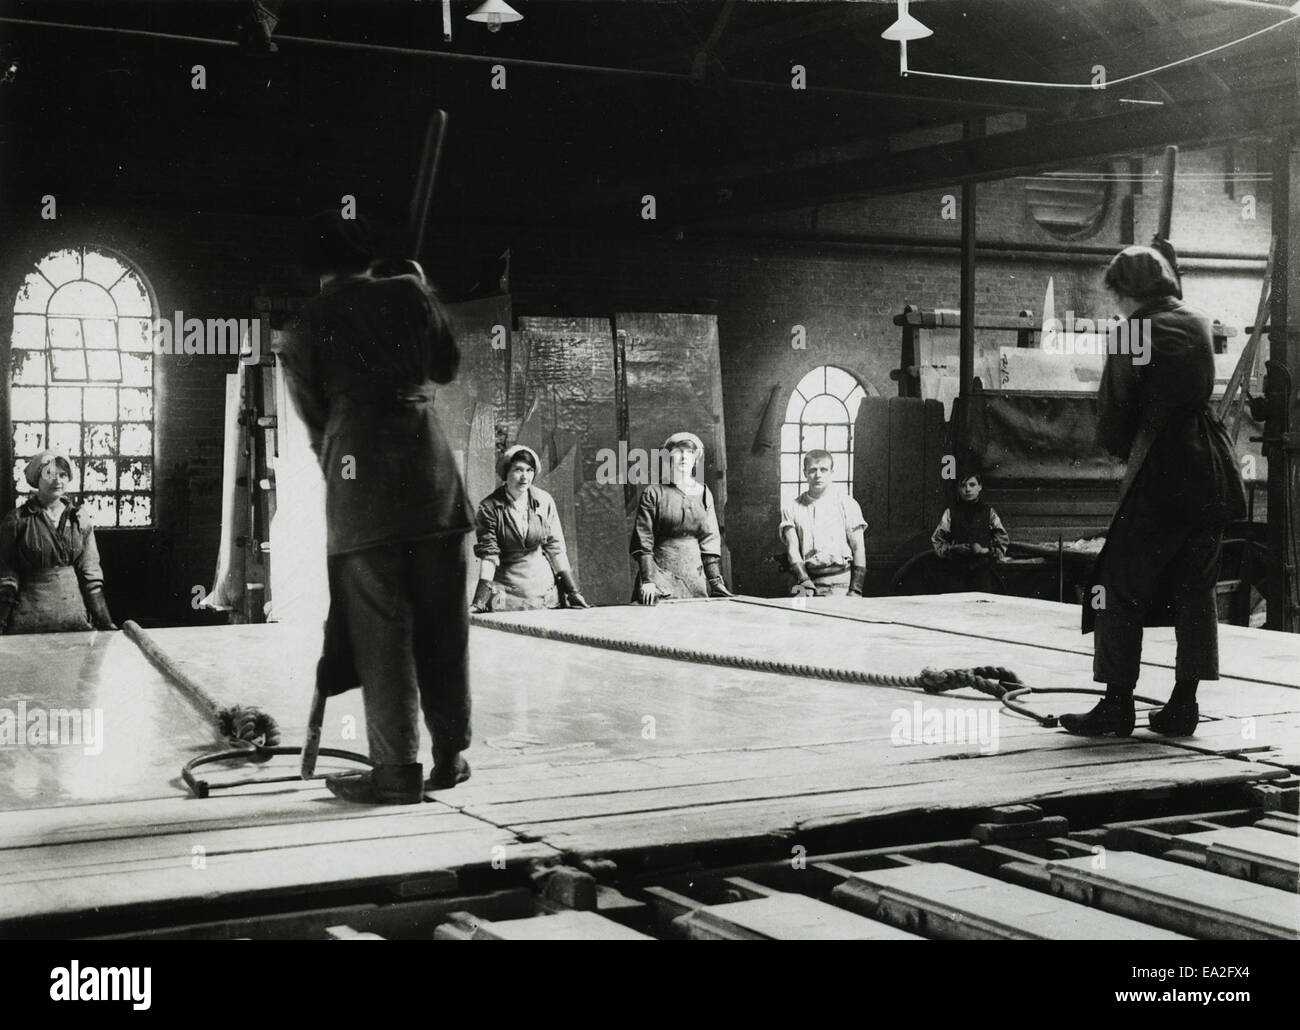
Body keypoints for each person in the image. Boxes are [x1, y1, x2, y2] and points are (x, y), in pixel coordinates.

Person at [277, 210, 474, 804]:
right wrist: (422, 289)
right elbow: (446, 366)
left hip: (360, 487)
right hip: (431, 475)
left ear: (311, 267)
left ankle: (396, 770)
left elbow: (316, 425)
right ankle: (451, 755)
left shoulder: (303, 329)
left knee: (382, 636)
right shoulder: (409, 294)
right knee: (445, 627)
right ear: (367, 256)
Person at [1063, 244, 1246, 738]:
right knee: (1196, 589)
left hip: (1161, 468)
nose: (1116, 306)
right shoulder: (1200, 322)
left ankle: (1117, 704)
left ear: (1127, 290)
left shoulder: (1132, 332)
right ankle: (1184, 705)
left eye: (1116, 295)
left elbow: (1116, 413)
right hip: (1212, 466)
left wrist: (1124, 449)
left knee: (1115, 585)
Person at [0, 451, 117, 635]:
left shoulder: (79, 519)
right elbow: (7, 574)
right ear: (36, 478)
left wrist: (106, 624)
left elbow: (91, 575)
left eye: (63, 475)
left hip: (73, 617)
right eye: (49, 474)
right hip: (28, 619)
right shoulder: (17, 520)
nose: (57, 481)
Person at [471, 444, 590, 612]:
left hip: (545, 593)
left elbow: (556, 549)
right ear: (506, 472)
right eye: (518, 470)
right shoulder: (489, 507)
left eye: (529, 470)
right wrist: (480, 601)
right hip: (506, 595)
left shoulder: (544, 500)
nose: (524, 477)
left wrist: (572, 591)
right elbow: (489, 557)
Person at [631, 432, 732, 604]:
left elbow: (710, 538)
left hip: (694, 577)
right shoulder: (653, 493)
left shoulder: (704, 493)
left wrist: (715, 581)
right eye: (678, 451)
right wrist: (648, 580)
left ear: (696, 459)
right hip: (659, 575)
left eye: (690, 452)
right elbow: (643, 540)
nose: (684, 456)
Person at [779, 449, 867, 597]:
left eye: (823, 470)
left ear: (831, 472)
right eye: (813, 470)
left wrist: (855, 590)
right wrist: (805, 581)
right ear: (804, 473)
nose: (818, 475)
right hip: (805, 582)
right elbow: (792, 550)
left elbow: (858, 548)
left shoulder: (847, 504)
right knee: (800, 619)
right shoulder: (792, 507)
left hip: (841, 583)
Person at [929, 470, 1010, 593]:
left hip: (982, 572)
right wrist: (954, 548)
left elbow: (1002, 538)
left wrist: (986, 550)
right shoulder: (950, 513)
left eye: (972, 485)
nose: (967, 489)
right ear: (958, 488)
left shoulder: (989, 513)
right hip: (956, 572)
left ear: (980, 487)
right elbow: (937, 540)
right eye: (963, 485)